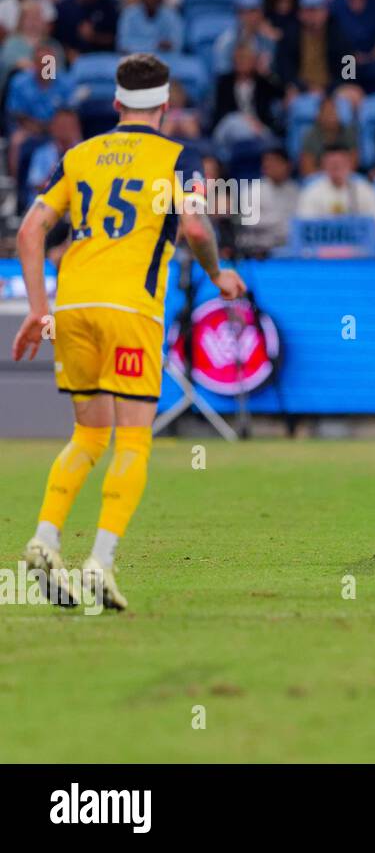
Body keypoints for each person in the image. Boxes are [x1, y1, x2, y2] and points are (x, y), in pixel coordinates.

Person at [10, 53, 247, 610]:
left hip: (72, 305)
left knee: (88, 436)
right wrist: (217, 273)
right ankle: (100, 562)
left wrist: (36, 309)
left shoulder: (79, 155)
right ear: (165, 107)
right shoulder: (174, 159)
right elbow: (192, 225)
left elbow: (29, 232)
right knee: (133, 439)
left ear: (117, 104)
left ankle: (45, 539)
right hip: (131, 310)